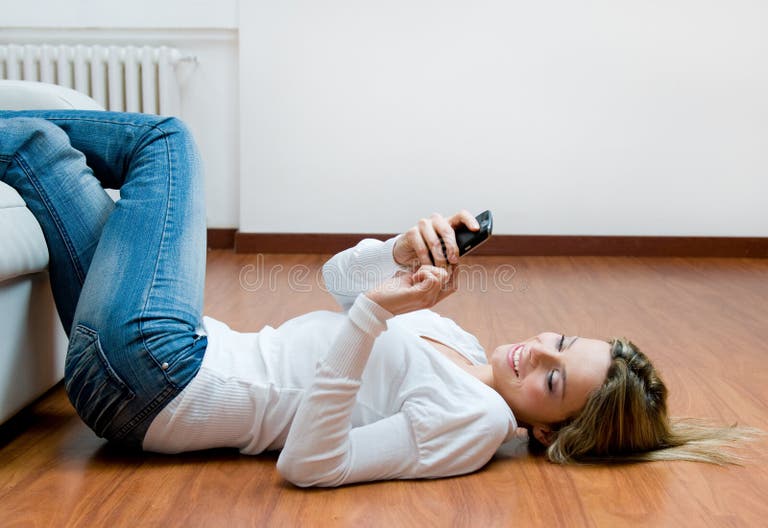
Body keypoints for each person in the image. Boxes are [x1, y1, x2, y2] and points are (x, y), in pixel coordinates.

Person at [0, 111, 752, 488]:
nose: (536, 355)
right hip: (144, 367)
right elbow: (337, 283)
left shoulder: (477, 424)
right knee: (43, 153)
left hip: (159, 373)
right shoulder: (464, 352)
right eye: (559, 343)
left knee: (167, 140)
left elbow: (310, 465)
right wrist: (398, 254)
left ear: (552, 434)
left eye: (553, 381)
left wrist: (375, 314)